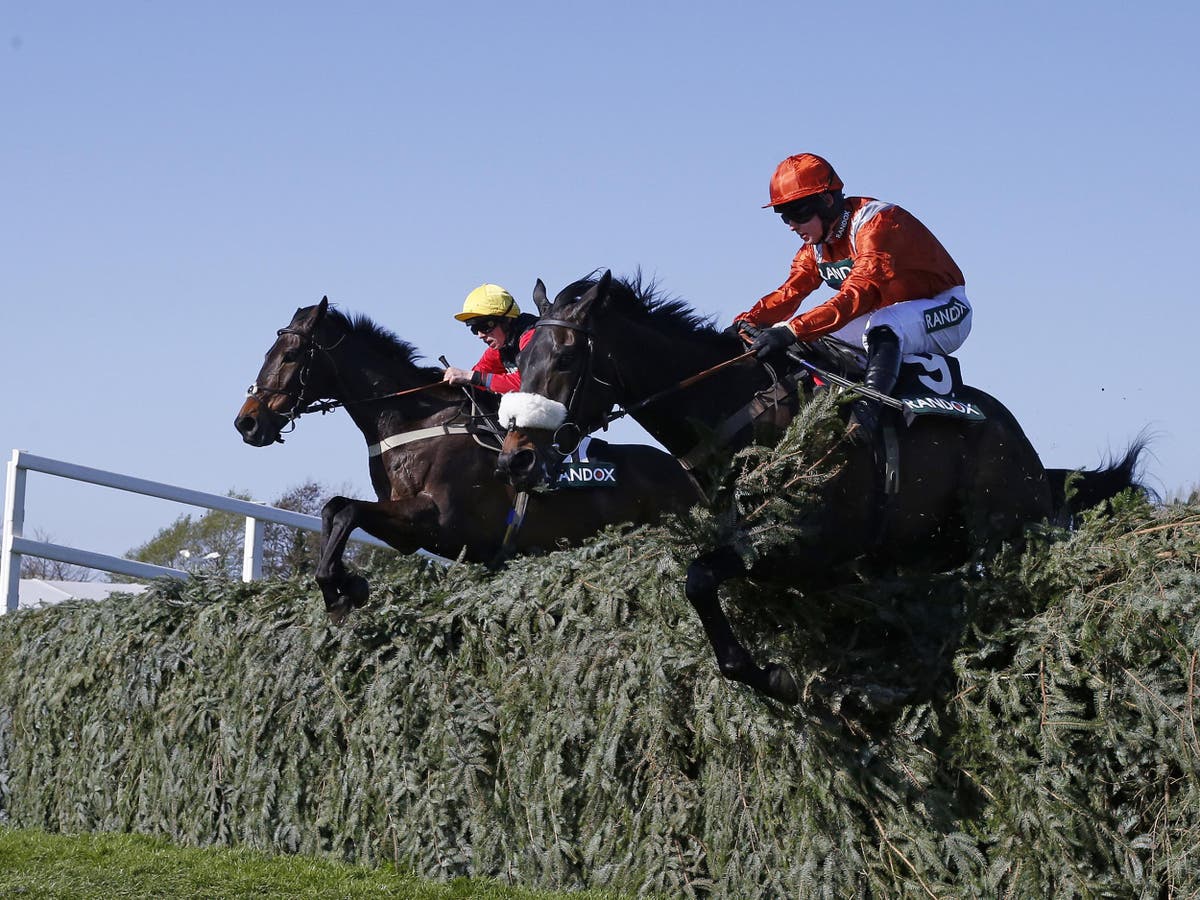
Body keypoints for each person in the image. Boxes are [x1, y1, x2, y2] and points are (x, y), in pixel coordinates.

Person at [732, 153, 971, 443]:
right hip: (890, 313)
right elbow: (790, 292)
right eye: (785, 216)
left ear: (827, 202)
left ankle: (870, 411)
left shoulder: (878, 223)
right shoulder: (817, 246)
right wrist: (747, 321)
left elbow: (859, 294)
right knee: (815, 341)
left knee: (884, 323)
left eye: (798, 214)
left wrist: (791, 330)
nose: (792, 225)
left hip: (947, 308)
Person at [442, 283, 538, 394]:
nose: (480, 335)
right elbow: (477, 376)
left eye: (484, 326)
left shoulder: (534, 338)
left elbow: (531, 384)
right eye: (474, 329)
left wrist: (470, 376)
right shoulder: (501, 347)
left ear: (507, 320)